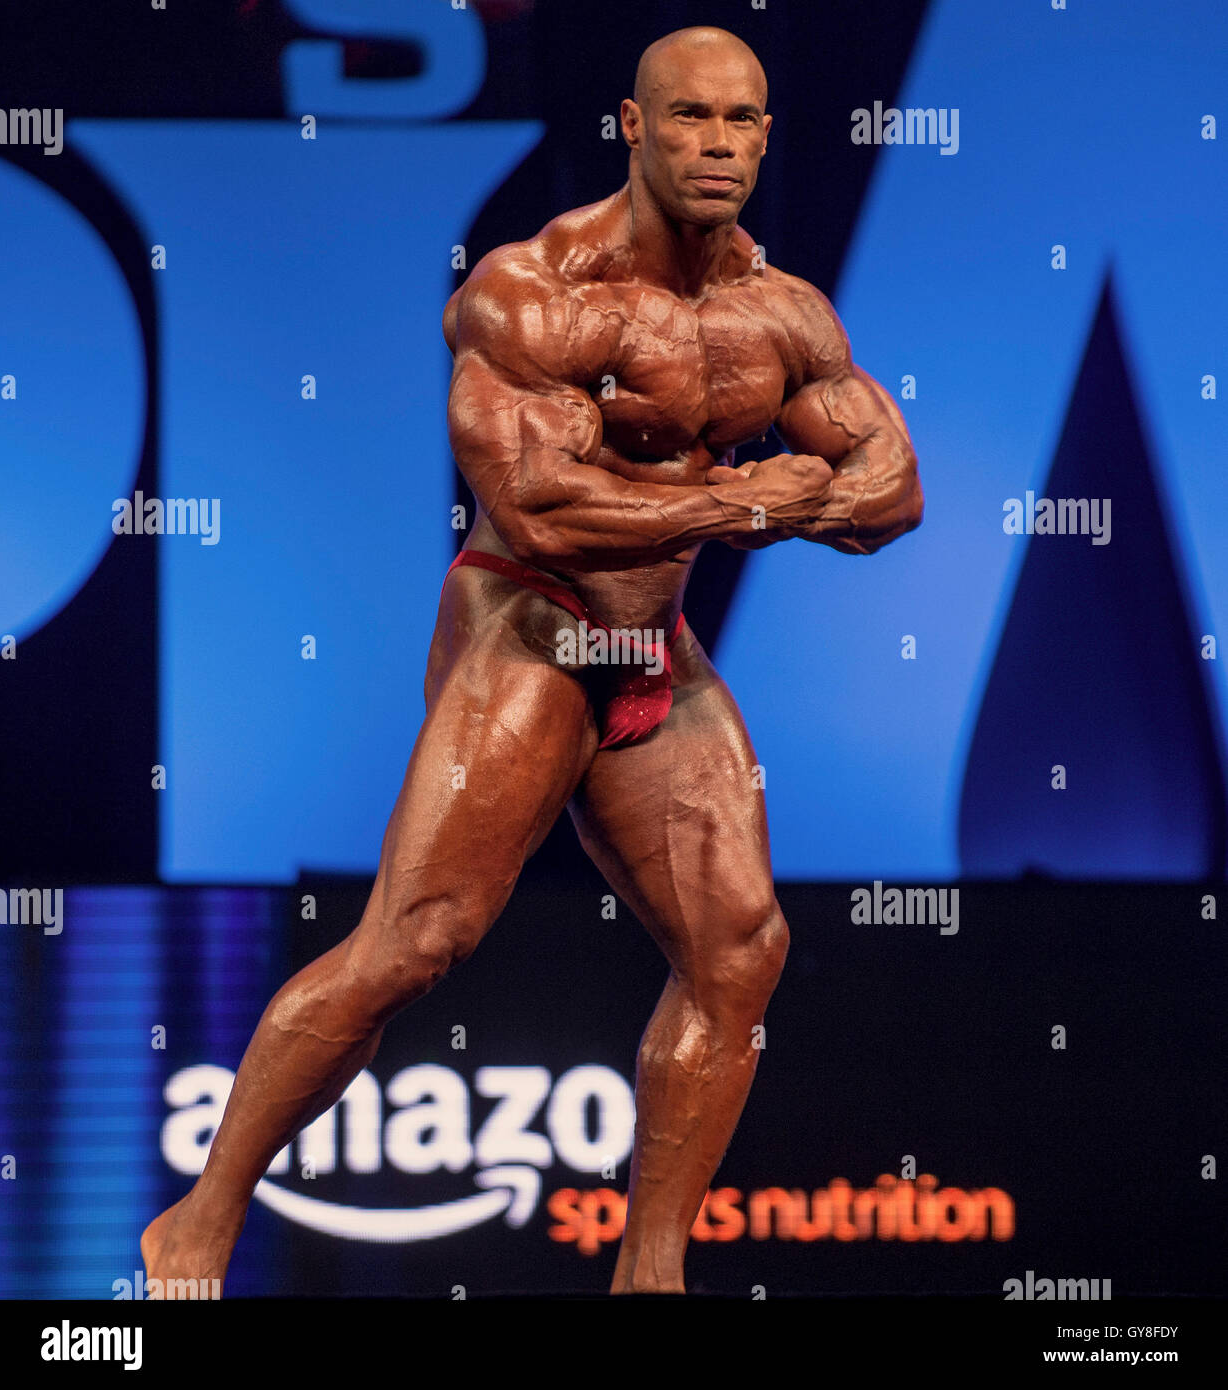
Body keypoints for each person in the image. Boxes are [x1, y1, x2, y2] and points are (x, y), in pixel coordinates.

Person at [143, 24, 922, 1297]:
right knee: (416, 942)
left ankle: (649, 1275)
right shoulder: (532, 292)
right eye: (689, 118)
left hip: (655, 647)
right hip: (531, 625)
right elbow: (541, 509)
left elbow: (892, 485)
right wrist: (747, 503)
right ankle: (200, 1219)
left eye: (740, 121)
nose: (717, 145)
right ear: (633, 124)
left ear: (768, 136)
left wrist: (795, 498)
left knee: (741, 951)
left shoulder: (782, 313)